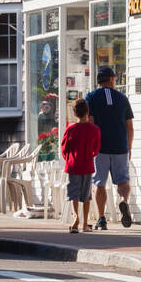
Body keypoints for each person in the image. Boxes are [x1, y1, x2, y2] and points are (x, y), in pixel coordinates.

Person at [84, 66, 135, 229]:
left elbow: (90, 121)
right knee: (123, 180)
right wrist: (129, 147)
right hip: (120, 145)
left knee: (99, 183)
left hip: (99, 147)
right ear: (112, 79)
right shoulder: (122, 98)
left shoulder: (91, 97)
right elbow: (130, 126)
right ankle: (123, 201)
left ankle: (101, 218)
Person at [60, 98, 101, 232]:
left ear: (74, 113)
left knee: (74, 194)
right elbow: (96, 148)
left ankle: (75, 218)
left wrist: (68, 159)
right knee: (86, 195)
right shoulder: (94, 129)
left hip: (73, 165)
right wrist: (90, 155)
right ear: (87, 112)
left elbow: (64, 148)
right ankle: (84, 224)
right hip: (87, 165)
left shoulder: (70, 129)